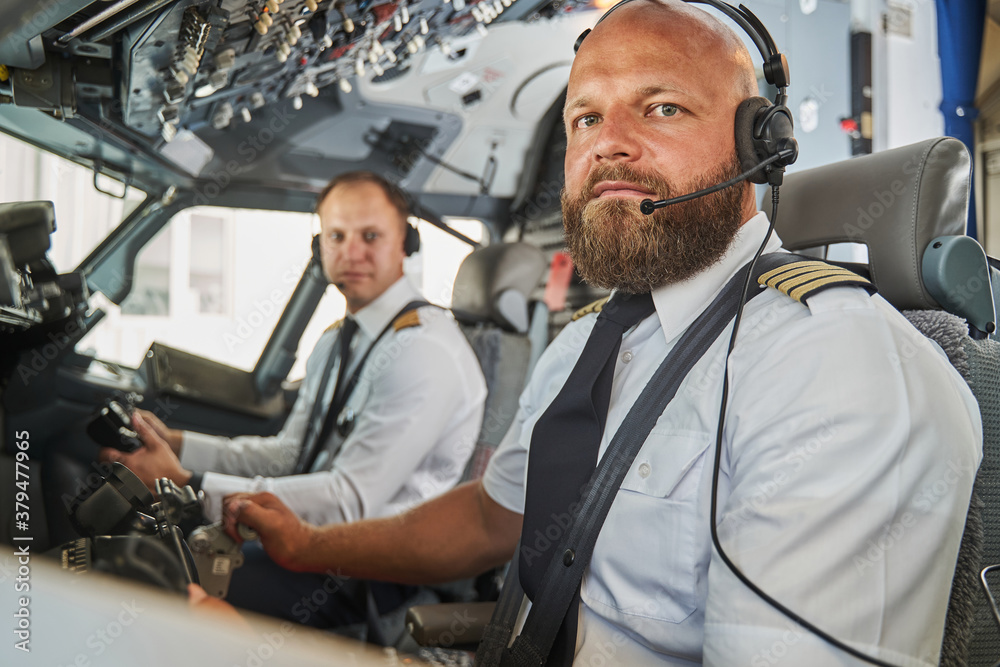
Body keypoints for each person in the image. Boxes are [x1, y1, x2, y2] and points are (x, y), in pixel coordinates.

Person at [220, 2, 982, 664]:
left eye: (662, 108)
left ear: (759, 146)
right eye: (586, 117)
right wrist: (309, 545)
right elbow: (489, 517)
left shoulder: (836, 372)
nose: (606, 143)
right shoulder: (582, 346)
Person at [101, 171, 487, 628]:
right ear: (319, 246)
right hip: (306, 533)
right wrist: (179, 444)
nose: (351, 252)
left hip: (366, 567)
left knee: (158, 583)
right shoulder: (338, 340)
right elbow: (289, 454)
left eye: (370, 236)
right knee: (143, 551)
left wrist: (190, 483)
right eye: (336, 236)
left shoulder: (424, 350)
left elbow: (350, 503)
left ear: (406, 243)